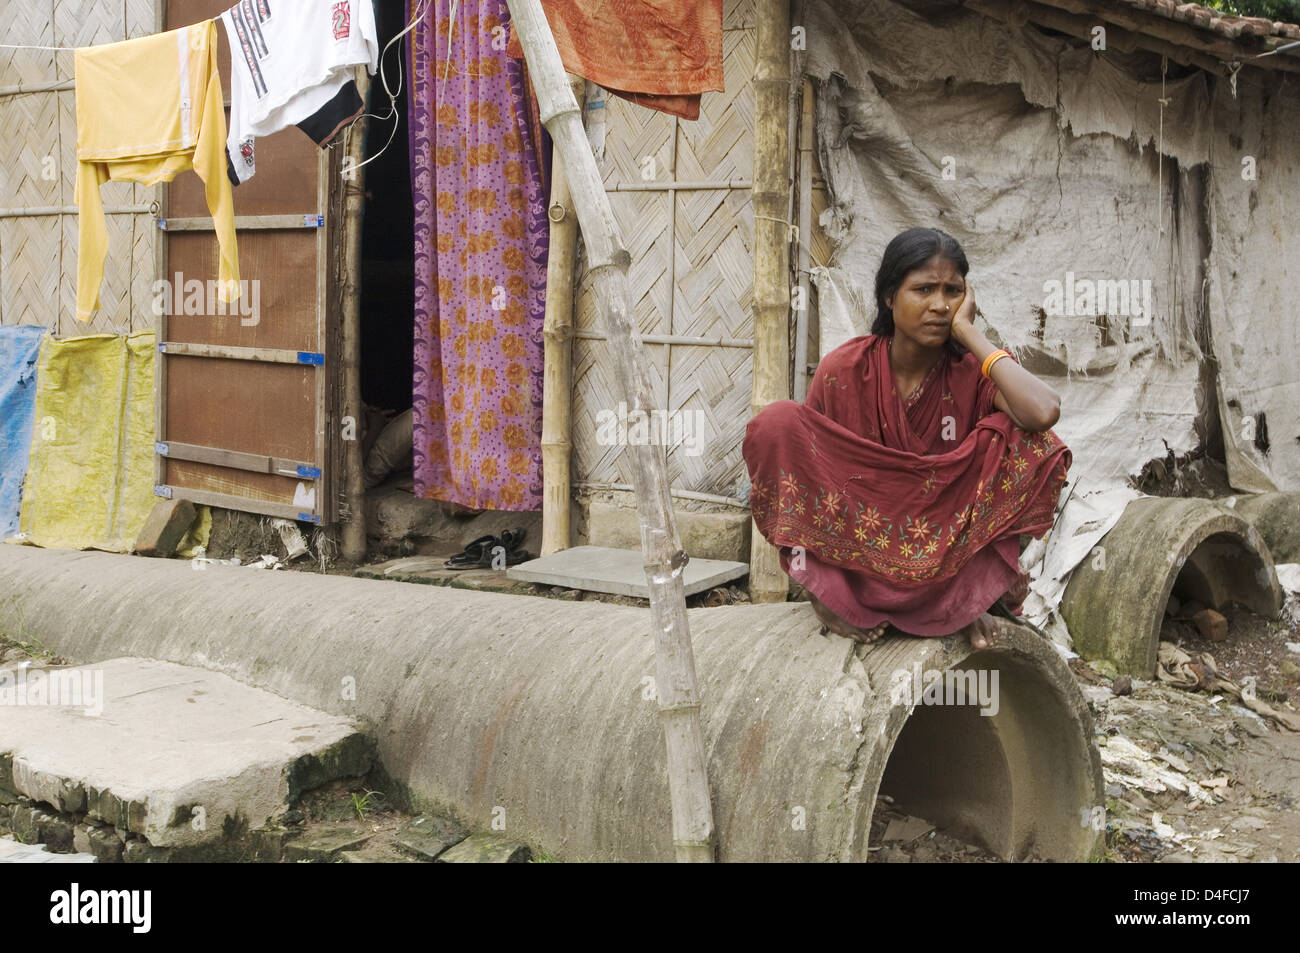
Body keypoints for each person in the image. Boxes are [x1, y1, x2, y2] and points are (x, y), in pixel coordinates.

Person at [742, 227, 1071, 649]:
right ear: (889, 297)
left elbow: (1043, 413)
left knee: (1029, 442)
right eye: (923, 289)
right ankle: (825, 595)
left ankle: (966, 602)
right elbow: (816, 473)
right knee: (779, 421)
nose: (939, 305)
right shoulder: (844, 370)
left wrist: (971, 334)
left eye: (952, 291)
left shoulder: (972, 371)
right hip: (863, 543)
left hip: (944, 549)